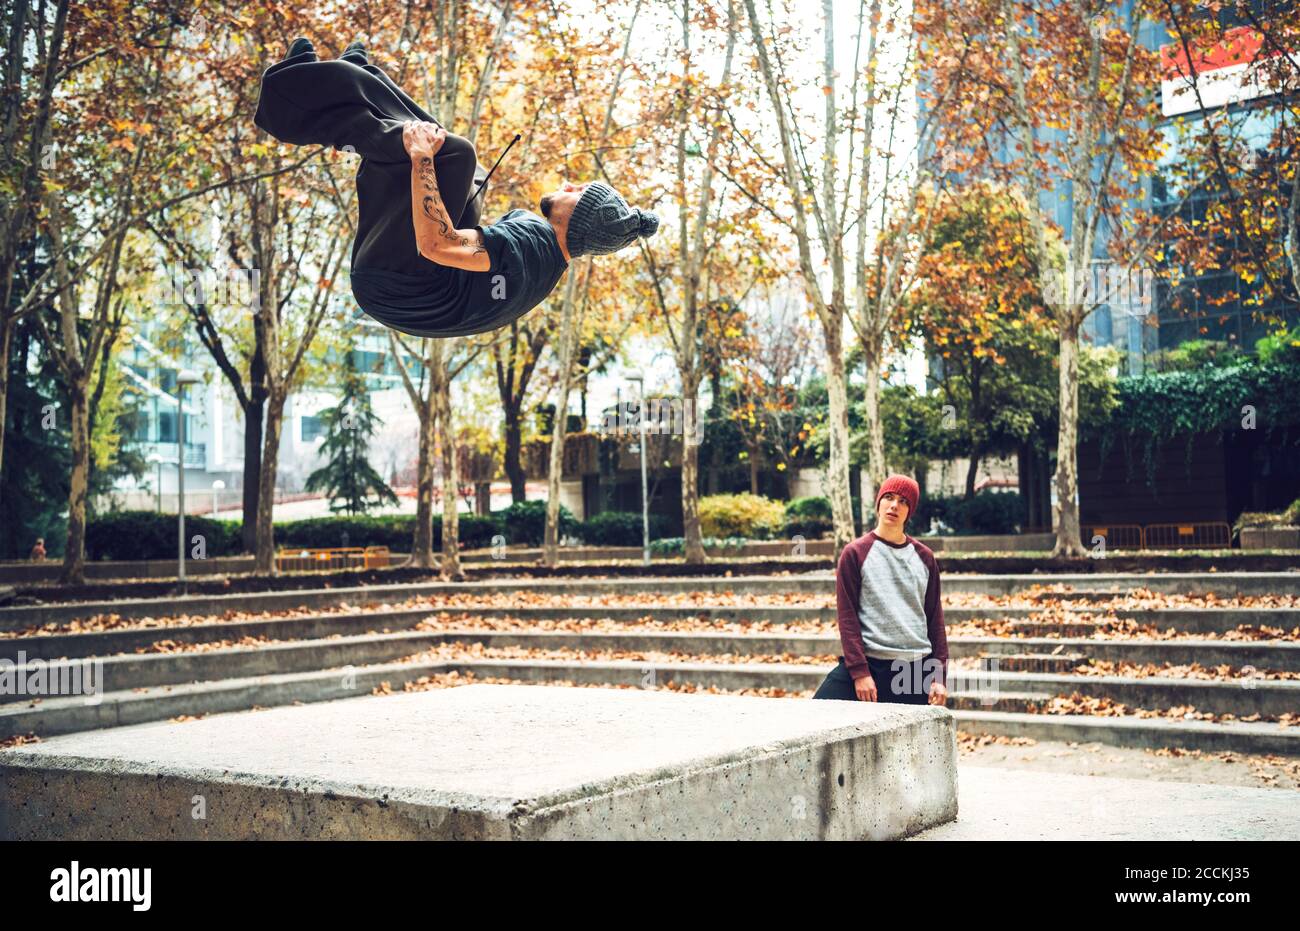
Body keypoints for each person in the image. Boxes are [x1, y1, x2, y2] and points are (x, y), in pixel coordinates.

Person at [252, 37, 659, 339]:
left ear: (580, 217)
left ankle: (295, 106)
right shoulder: (546, 263)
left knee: (450, 155)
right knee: (471, 174)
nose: (569, 183)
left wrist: (422, 159)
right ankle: (360, 86)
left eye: (579, 190)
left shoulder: (532, 244)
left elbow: (437, 246)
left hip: (398, 282)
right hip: (400, 286)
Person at [812, 474, 949, 706]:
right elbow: (848, 618)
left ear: (909, 511)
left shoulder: (924, 557)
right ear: (879, 503)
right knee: (815, 713)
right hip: (870, 663)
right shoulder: (855, 553)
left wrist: (939, 676)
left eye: (903, 501)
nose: (894, 505)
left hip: (914, 669)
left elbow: (935, 618)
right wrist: (860, 672)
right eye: (889, 497)